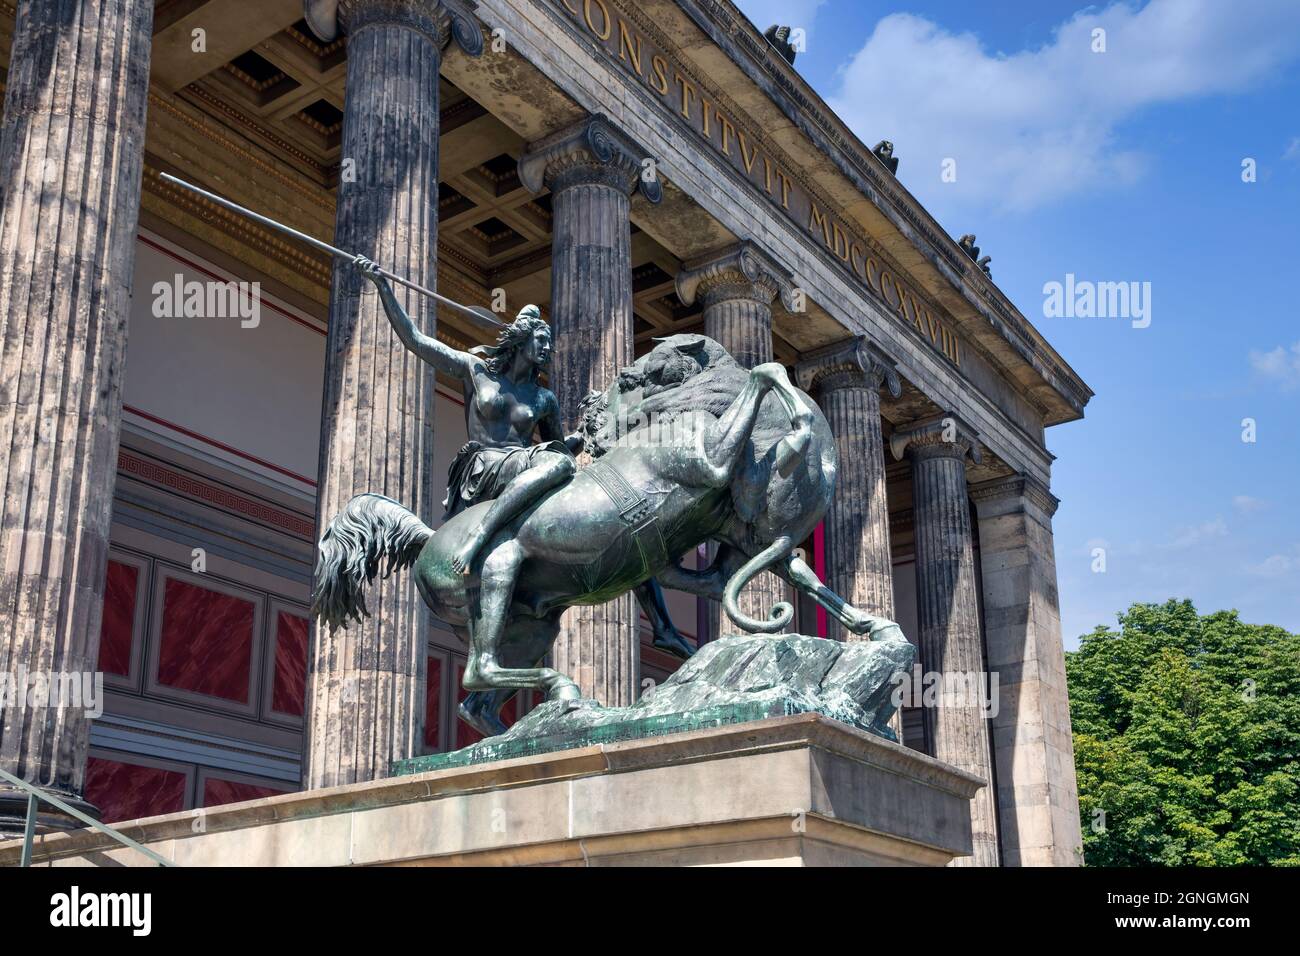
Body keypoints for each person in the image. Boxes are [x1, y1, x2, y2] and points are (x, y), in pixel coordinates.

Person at [355, 256, 580, 576]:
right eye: (541, 340)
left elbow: (558, 449)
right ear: (523, 338)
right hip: (483, 466)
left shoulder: (545, 399)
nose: (547, 349)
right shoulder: (475, 370)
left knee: (563, 468)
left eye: (549, 343)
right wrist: (383, 287)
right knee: (557, 461)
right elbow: (416, 340)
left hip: (518, 470)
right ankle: (478, 535)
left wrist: (576, 442)